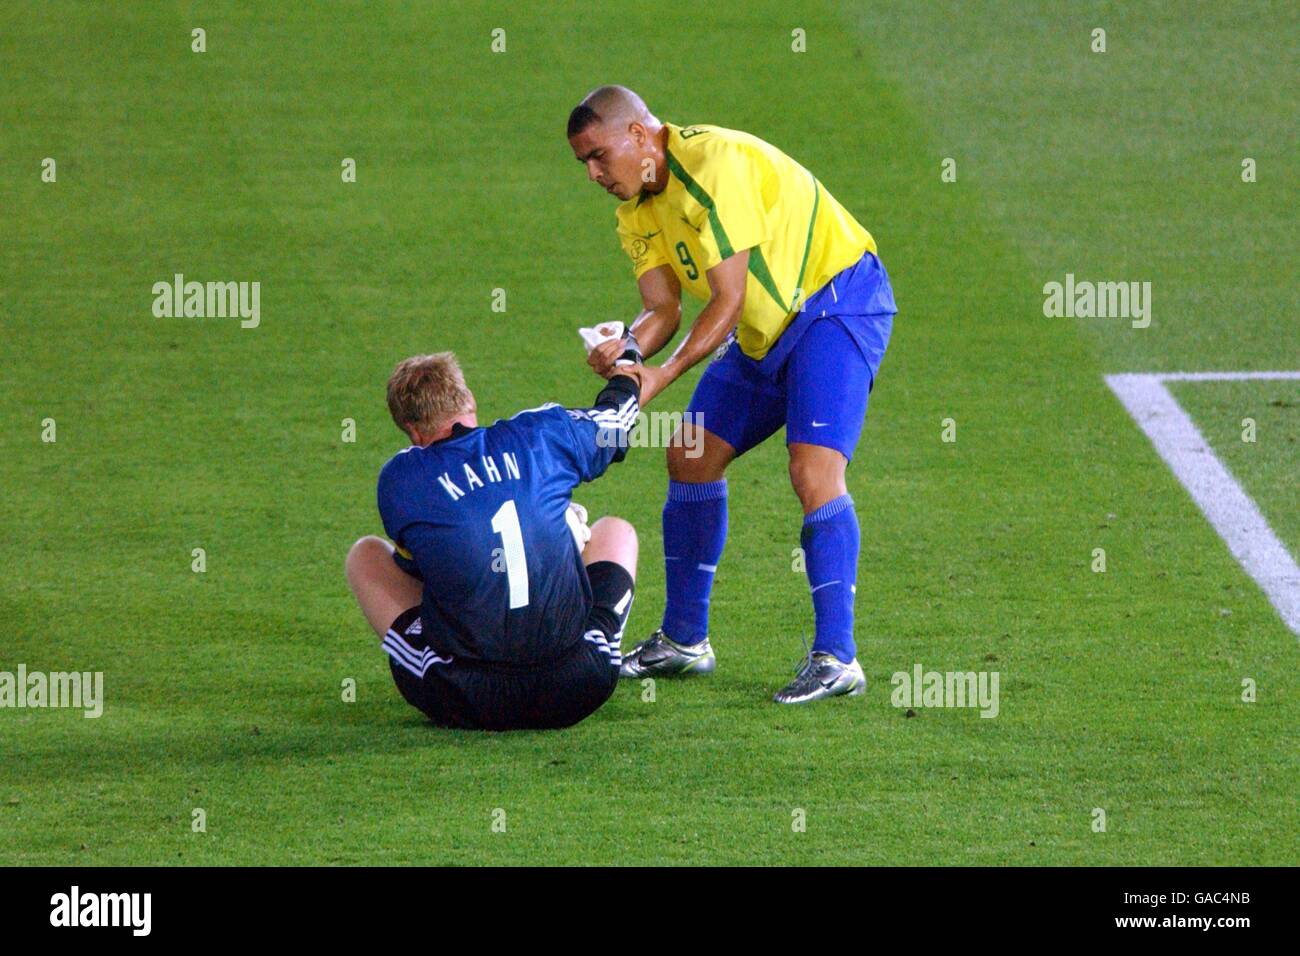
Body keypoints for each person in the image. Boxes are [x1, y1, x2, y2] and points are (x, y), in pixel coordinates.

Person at [567, 85, 897, 704]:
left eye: (598, 155)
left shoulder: (713, 169)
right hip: (764, 332)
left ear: (640, 136)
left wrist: (662, 375)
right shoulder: (636, 207)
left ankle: (838, 657)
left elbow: (728, 299)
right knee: (690, 453)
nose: (592, 174)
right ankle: (686, 642)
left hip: (837, 303)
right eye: (583, 162)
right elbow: (659, 309)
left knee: (813, 470)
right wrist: (627, 350)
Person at [345, 352, 643, 730]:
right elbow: (616, 424)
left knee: (365, 554)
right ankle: (601, 634)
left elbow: (420, 573)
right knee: (616, 531)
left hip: (465, 698)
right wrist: (626, 371)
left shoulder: (401, 478)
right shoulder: (541, 434)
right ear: (468, 399)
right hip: (578, 685)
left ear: (413, 431)